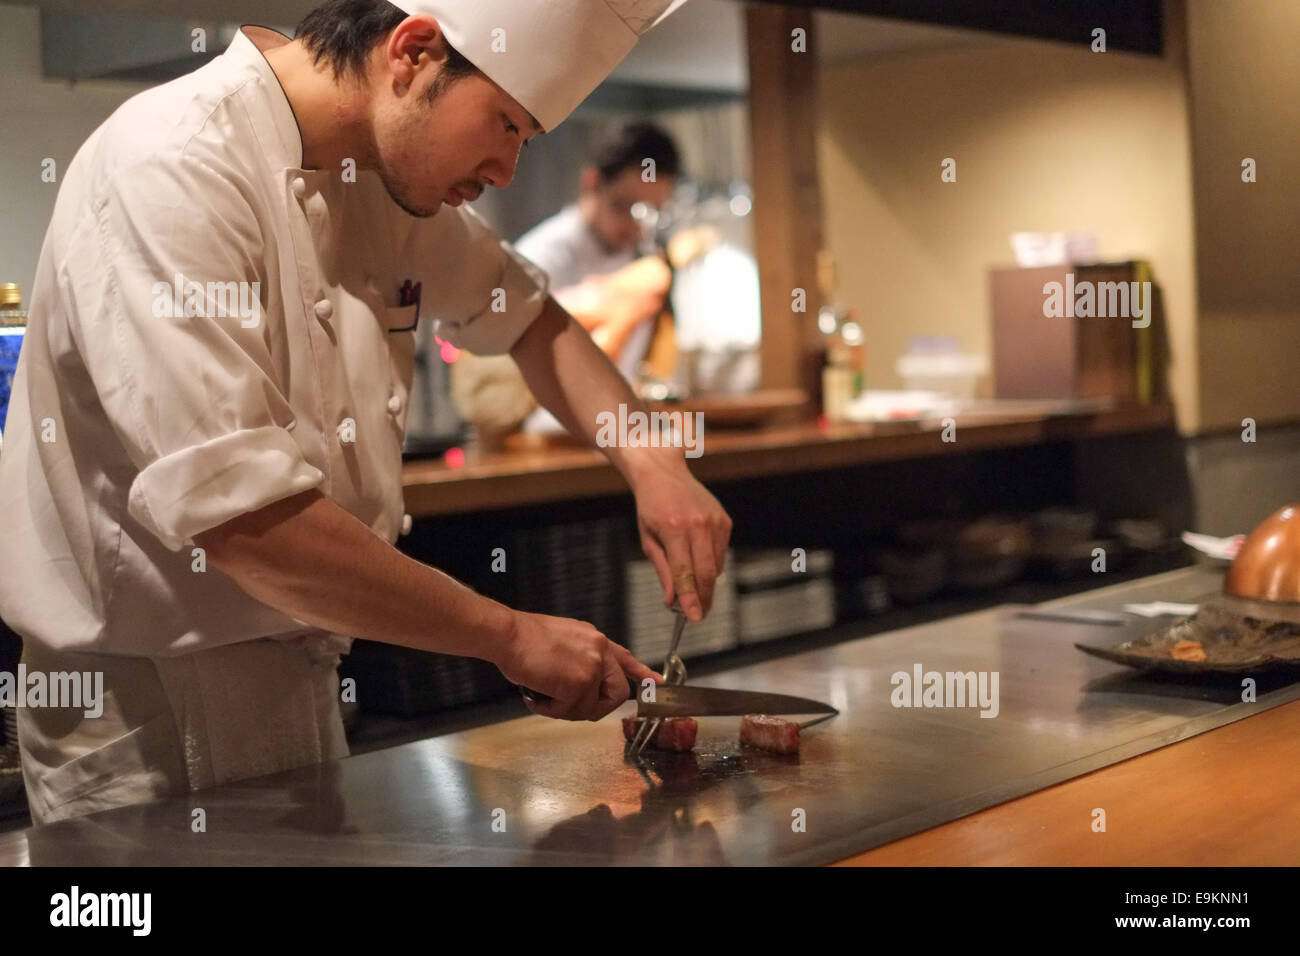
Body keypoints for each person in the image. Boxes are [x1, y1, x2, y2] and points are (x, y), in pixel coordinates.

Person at [0, 0, 728, 826]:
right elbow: (247, 522)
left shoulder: (378, 177)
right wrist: (510, 635)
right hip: (148, 721)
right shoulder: (172, 163)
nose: (507, 171)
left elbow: (531, 318)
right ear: (412, 52)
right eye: (505, 125)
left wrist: (655, 463)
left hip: (300, 677)